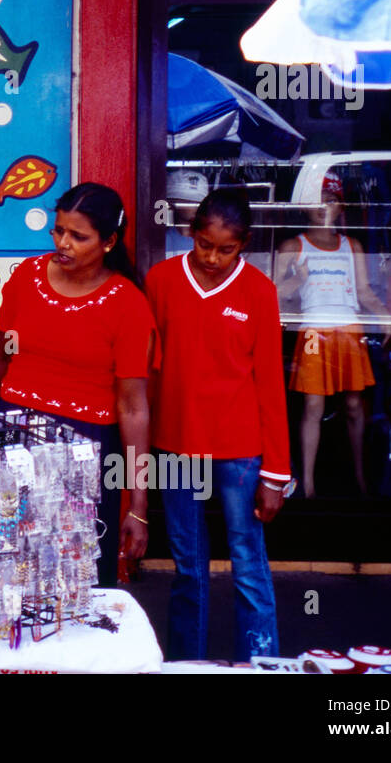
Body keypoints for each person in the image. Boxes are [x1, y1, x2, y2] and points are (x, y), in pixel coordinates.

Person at [0, 182, 156, 586]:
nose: (63, 243)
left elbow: (133, 408)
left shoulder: (128, 304)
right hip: (13, 439)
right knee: (9, 571)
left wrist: (138, 504)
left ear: (109, 241)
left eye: (78, 236)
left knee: (77, 579)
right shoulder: (28, 276)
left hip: (85, 456)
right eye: (58, 231)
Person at [145, 189, 290, 662]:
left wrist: (276, 473)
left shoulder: (259, 291)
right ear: (190, 234)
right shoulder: (162, 280)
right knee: (188, 567)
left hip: (240, 451)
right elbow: (146, 371)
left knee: (247, 561)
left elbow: (270, 382)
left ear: (244, 243)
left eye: (225, 249)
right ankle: (188, 662)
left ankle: (261, 660)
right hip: (175, 445)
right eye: (204, 244)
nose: (212, 257)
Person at [277, 173, 384, 498]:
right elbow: (273, 294)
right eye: (319, 198)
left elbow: (364, 291)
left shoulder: (352, 246)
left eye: (332, 199)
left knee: (354, 405)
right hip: (313, 329)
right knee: (313, 406)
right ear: (307, 205)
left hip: (348, 329)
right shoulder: (293, 245)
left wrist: (387, 318)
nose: (325, 206)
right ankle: (308, 484)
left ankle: (360, 476)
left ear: (341, 206)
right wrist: (298, 280)